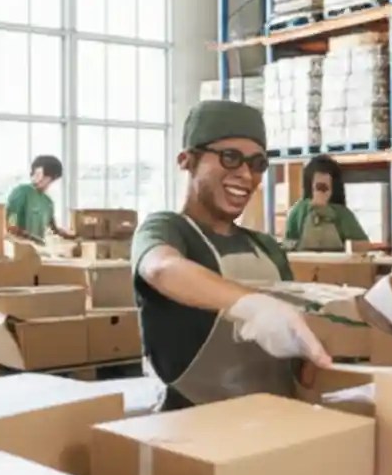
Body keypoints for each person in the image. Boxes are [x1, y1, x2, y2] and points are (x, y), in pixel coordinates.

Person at [132, 100, 332, 411]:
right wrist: (251, 306)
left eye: (257, 164)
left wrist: (314, 350)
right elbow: (162, 268)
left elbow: (297, 364)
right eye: (230, 158)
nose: (246, 175)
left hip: (274, 419)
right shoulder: (169, 229)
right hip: (190, 424)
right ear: (187, 160)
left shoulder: (267, 248)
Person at [284, 154, 369, 251]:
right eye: (318, 187)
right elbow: (287, 244)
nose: (321, 193)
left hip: (337, 260)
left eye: (325, 188)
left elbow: (363, 245)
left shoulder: (342, 214)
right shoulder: (299, 211)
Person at [5, 155, 74, 244]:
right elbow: (11, 223)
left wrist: (71, 235)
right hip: (20, 247)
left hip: (40, 248)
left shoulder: (48, 202)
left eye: (47, 177)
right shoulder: (21, 192)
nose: (42, 179)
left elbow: (54, 229)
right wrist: (26, 235)